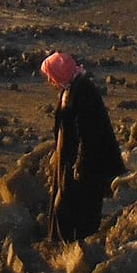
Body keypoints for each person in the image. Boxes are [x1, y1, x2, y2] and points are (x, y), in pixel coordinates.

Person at [42, 51, 126, 242]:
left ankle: (78, 250)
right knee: (63, 206)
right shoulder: (69, 89)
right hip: (70, 161)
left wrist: (80, 165)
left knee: (78, 209)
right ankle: (62, 247)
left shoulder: (84, 91)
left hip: (87, 165)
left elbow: (91, 133)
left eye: (51, 74)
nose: (49, 79)